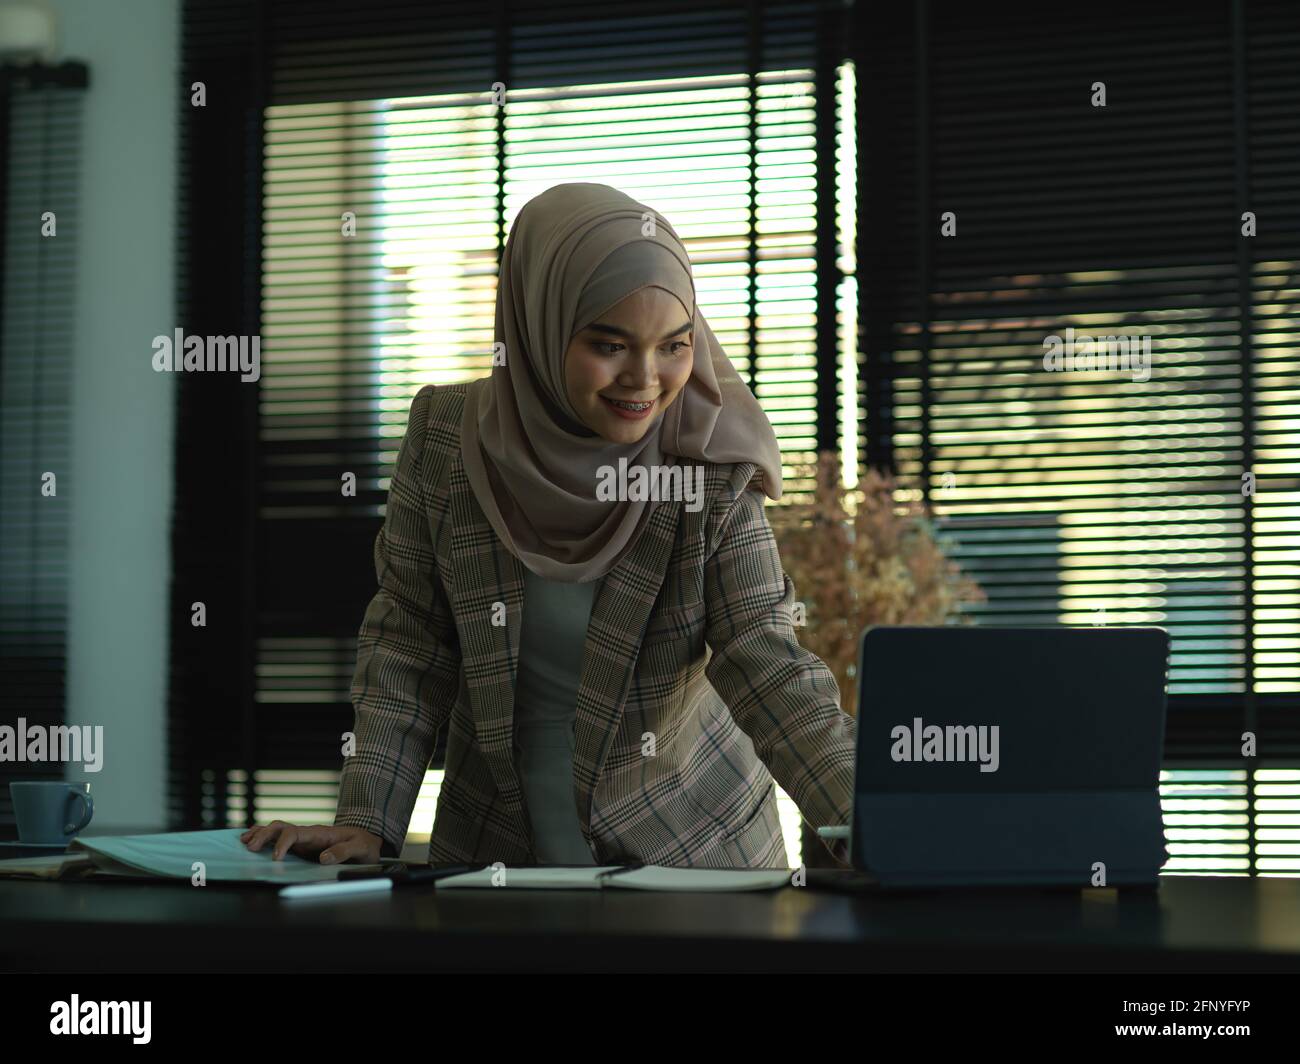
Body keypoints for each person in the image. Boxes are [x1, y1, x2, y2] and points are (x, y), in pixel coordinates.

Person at [242, 182, 855, 869]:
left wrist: (873, 823)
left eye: (675, 346)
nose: (646, 379)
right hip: (495, 862)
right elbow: (409, 643)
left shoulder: (707, 466)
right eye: (610, 344)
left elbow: (767, 665)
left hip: (691, 863)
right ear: (538, 323)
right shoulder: (447, 440)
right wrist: (367, 818)